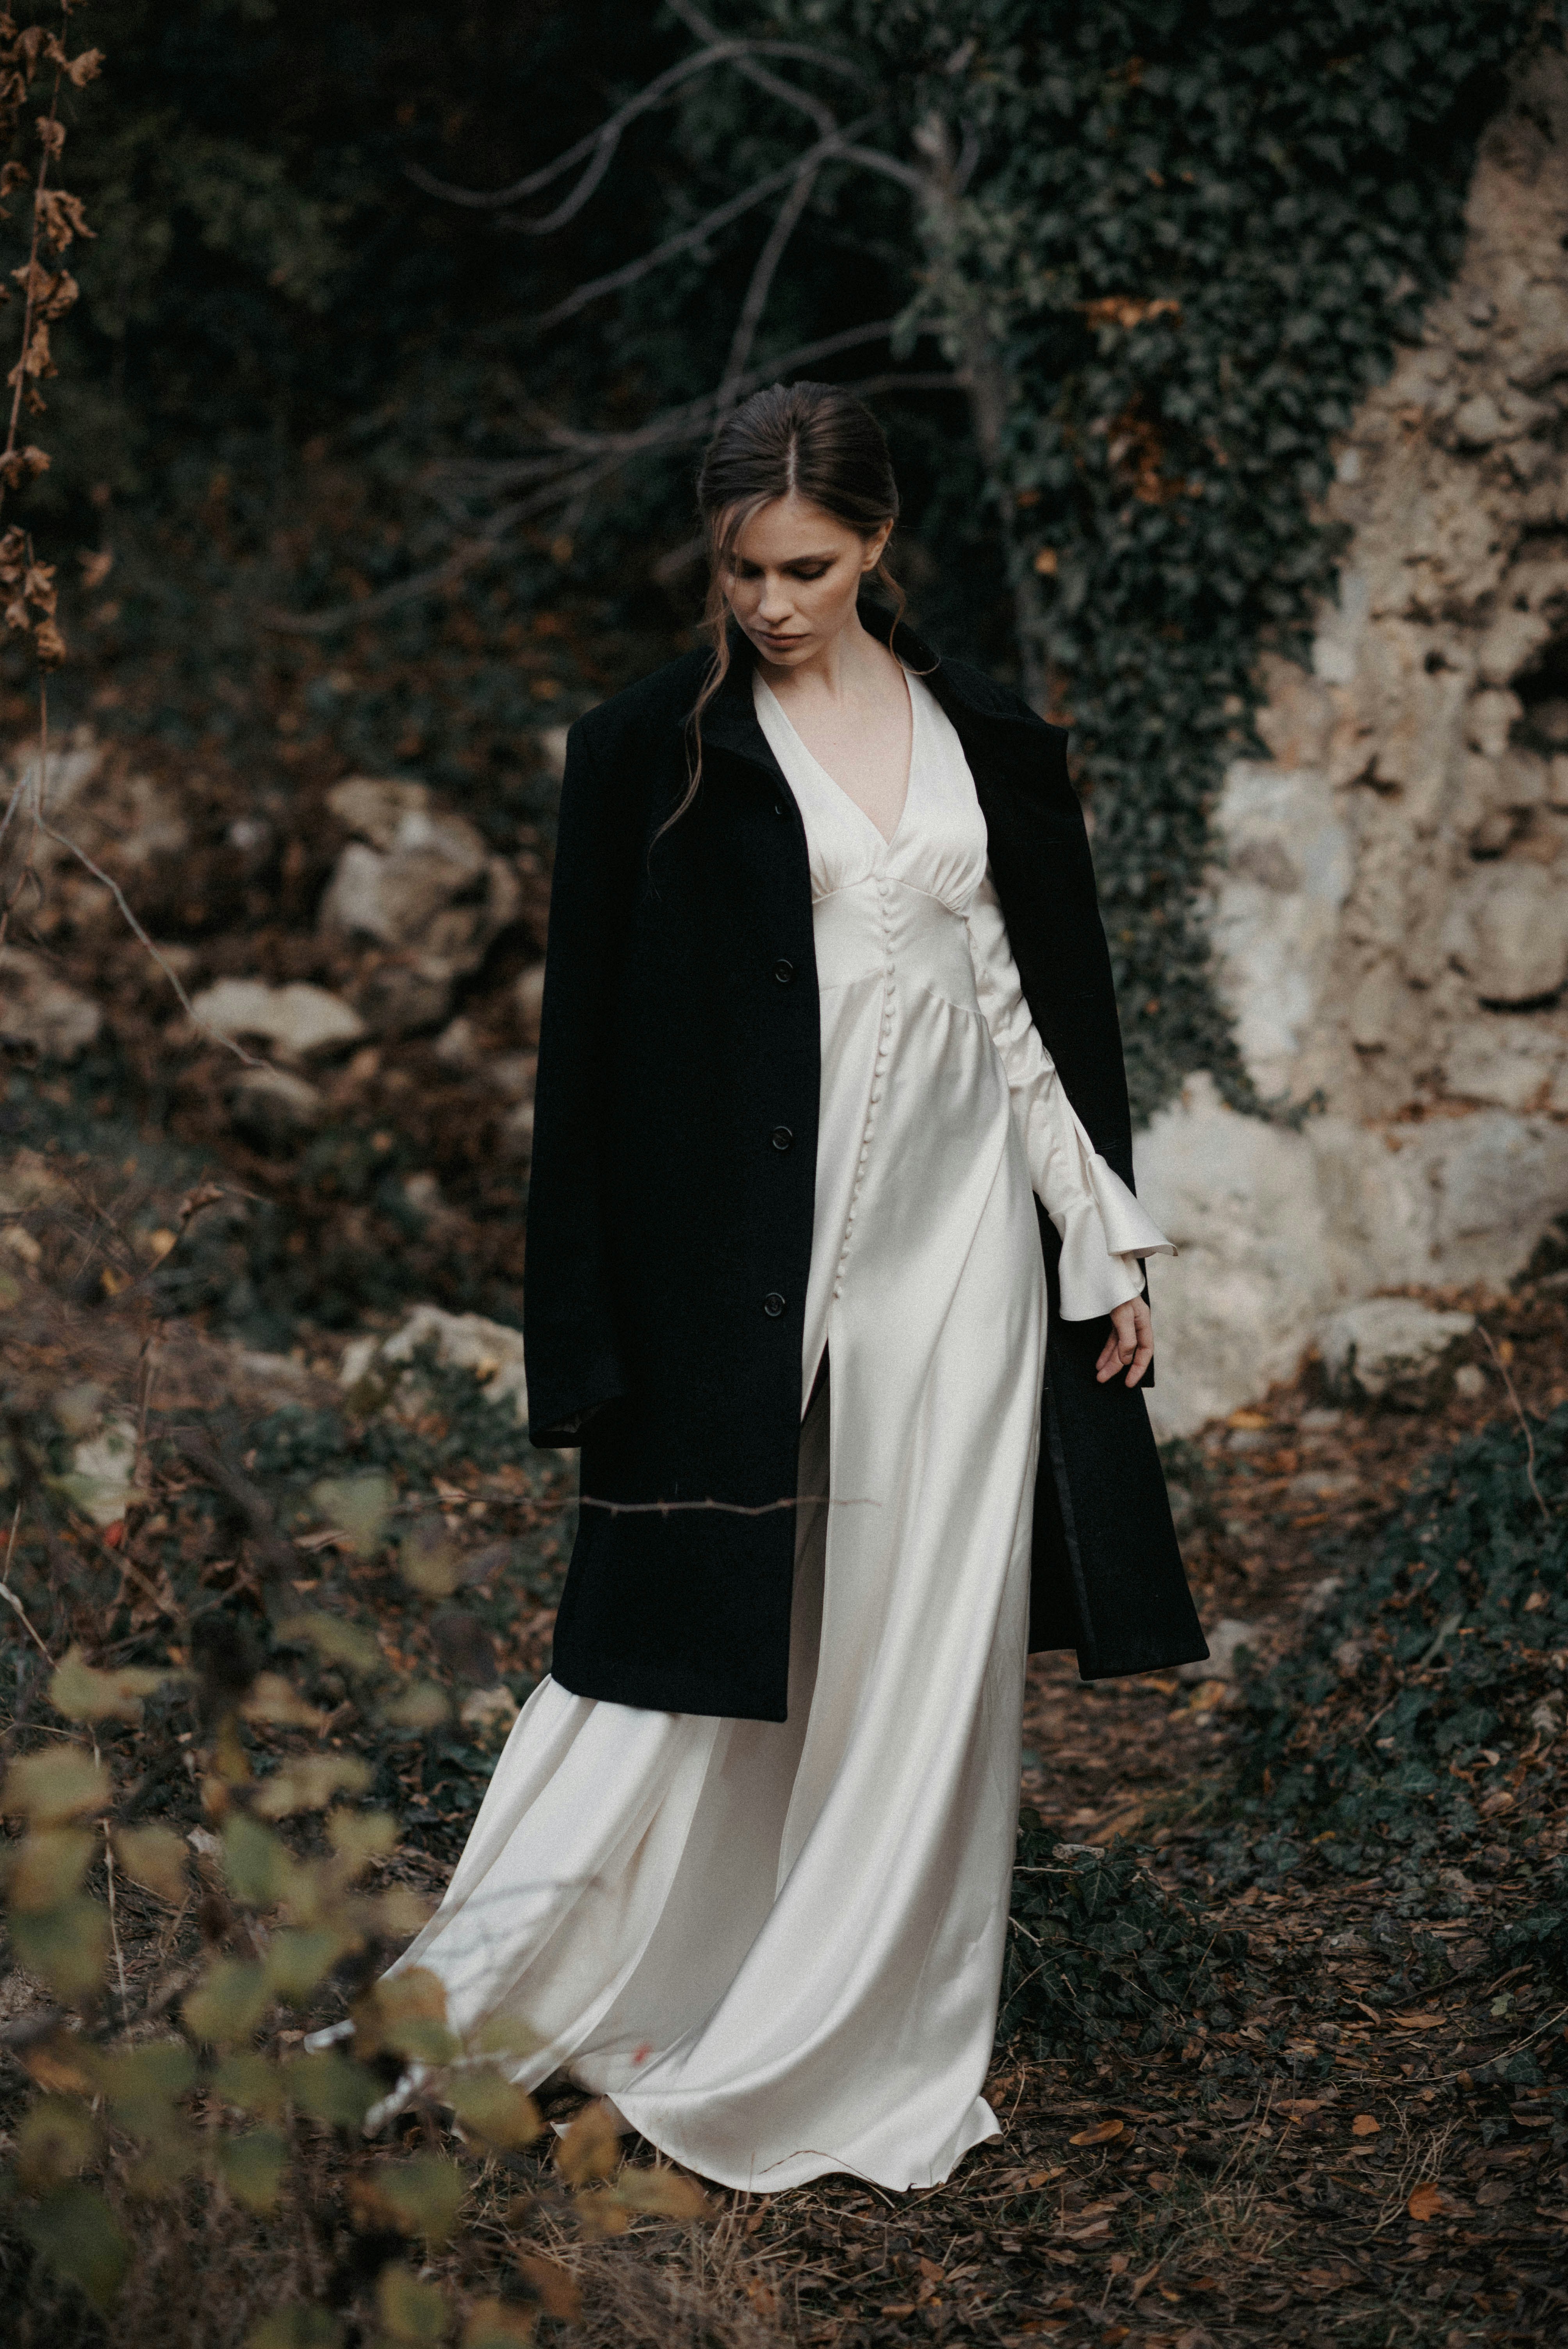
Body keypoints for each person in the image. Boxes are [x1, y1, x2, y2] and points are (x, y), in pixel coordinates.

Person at [353, 382, 1206, 2191]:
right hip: (742, 1271)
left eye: (806, 566)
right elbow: (574, 1076)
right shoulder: (650, 750)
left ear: (878, 545)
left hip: (959, 1252)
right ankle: (506, 1987)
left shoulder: (983, 736)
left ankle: (848, 2031)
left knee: (920, 1650)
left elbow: (1021, 1006)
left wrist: (1097, 1236)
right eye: (741, 567)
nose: (770, 602)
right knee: (661, 1653)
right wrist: (578, 1336)